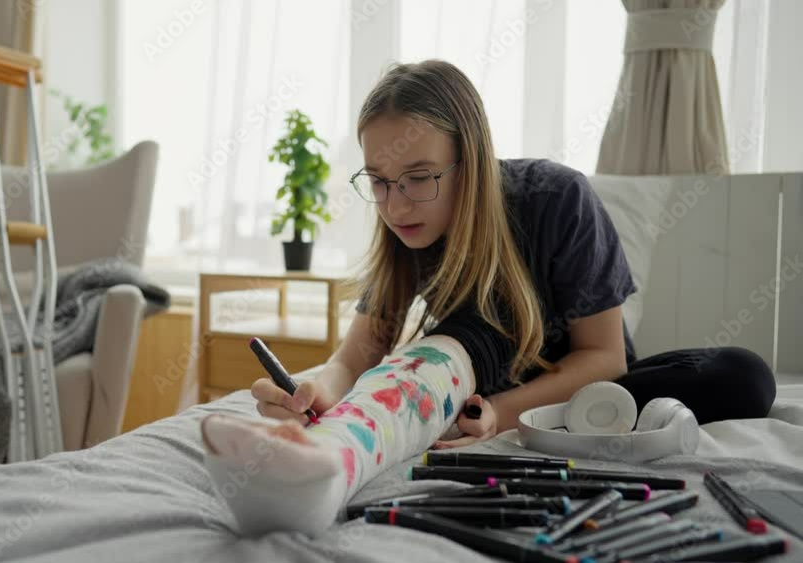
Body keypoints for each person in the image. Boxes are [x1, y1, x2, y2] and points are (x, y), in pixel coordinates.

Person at [199, 59, 776, 537]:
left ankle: (337, 452)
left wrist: (502, 414)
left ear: (469, 161)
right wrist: (314, 392)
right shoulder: (402, 229)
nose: (397, 205)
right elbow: (357, 354)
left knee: (745, 375)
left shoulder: (558, 198)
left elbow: (604, 357)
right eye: (378, 180)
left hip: (578, 392)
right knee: (467, 331)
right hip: (462, 376)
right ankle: (329, 454)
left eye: (420, 177)